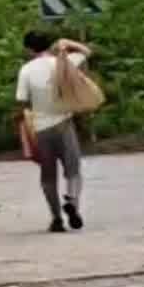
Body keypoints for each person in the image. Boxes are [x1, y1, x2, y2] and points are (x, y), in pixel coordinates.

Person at [16, 31, 91, 233]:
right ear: (49, 45)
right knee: (73, 171)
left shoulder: (26, 70)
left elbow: (22, 100)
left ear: (29, 49)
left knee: (48, 177)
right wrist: (67, 42)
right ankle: (72, 202)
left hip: (41, 129)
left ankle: (56, 219)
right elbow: (86, 51)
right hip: (64, 124)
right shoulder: (63, 63)